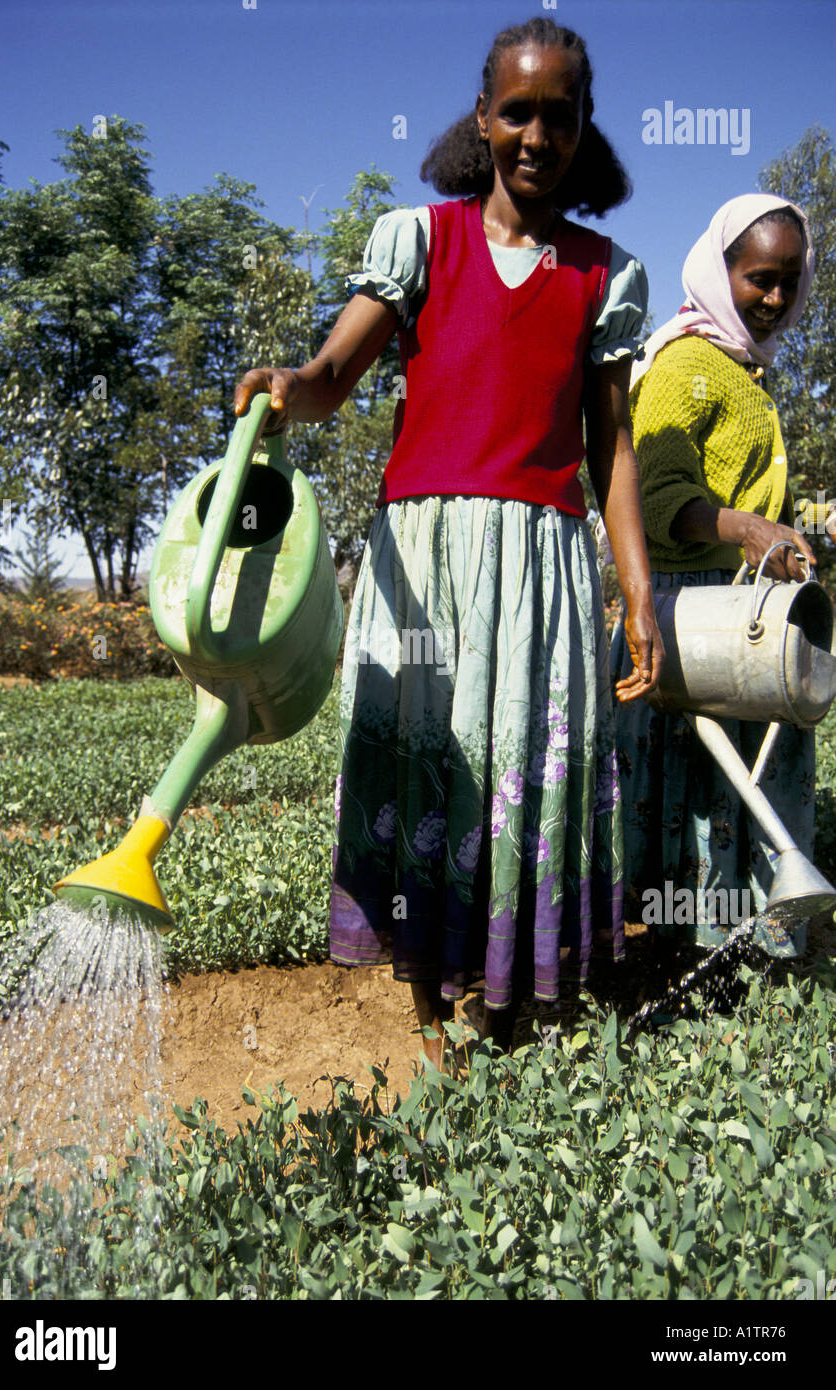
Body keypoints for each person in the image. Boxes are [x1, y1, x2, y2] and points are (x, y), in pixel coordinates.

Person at [235, 16, 663, 1069]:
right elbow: (335, 372)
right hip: (422, 563)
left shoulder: (604, 275)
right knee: (429, 768)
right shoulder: (419, 240)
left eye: (555, 117)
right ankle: (431, 1018)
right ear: (482, 118)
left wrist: (637, 591)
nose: (533, 135)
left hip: (541, 569)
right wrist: (288, 391)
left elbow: (609, 450)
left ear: (580, 129)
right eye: (514, 112)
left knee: (524, 768)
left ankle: (505, 1012)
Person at [610, 194, 817, 967]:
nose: (773, 298)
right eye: (758, 278)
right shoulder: (683, 364)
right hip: (690, 623)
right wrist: (741, 528)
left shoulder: (745, 373)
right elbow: (654, 497)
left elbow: (757, 497)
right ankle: (696, 954)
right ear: (716, 269)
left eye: (787, 282)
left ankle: (752, 945)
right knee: (702, 790)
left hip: (742, 619)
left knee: (744, 780)